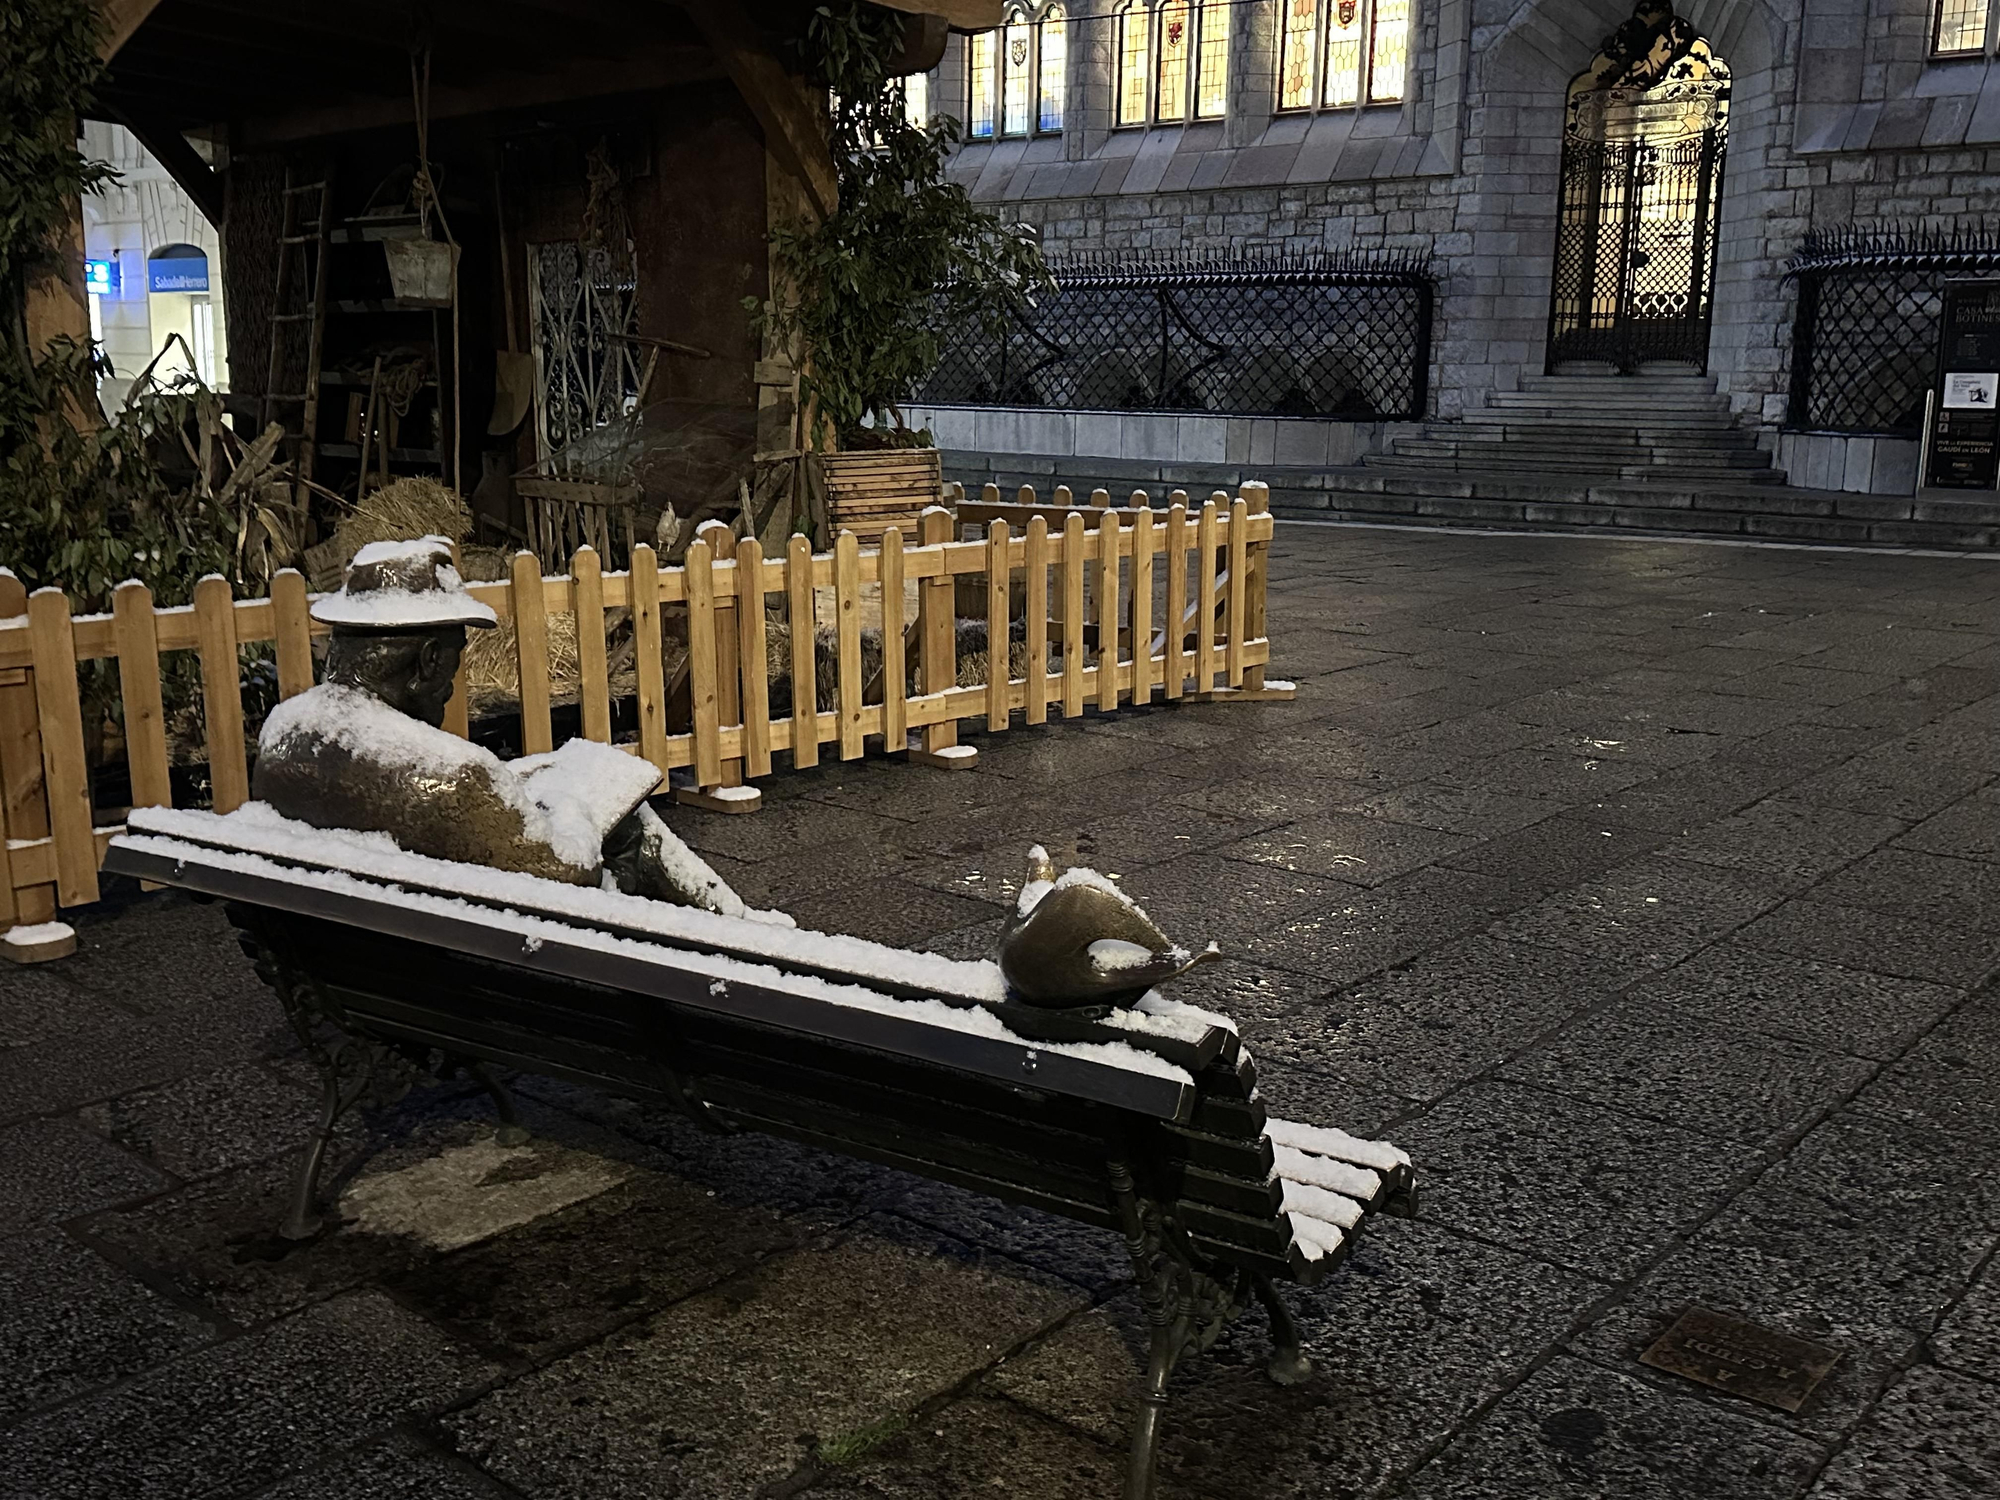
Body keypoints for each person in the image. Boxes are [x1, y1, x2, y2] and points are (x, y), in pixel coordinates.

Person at [253, 537, 743, 914]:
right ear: (426, 661)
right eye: (452, 664)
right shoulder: (452, 777)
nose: (450, 686)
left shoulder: (283, 733)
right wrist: (575, 803)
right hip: (505, 968)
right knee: (631, 823)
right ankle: (740, 940)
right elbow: (570, 871)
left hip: (371, 958)